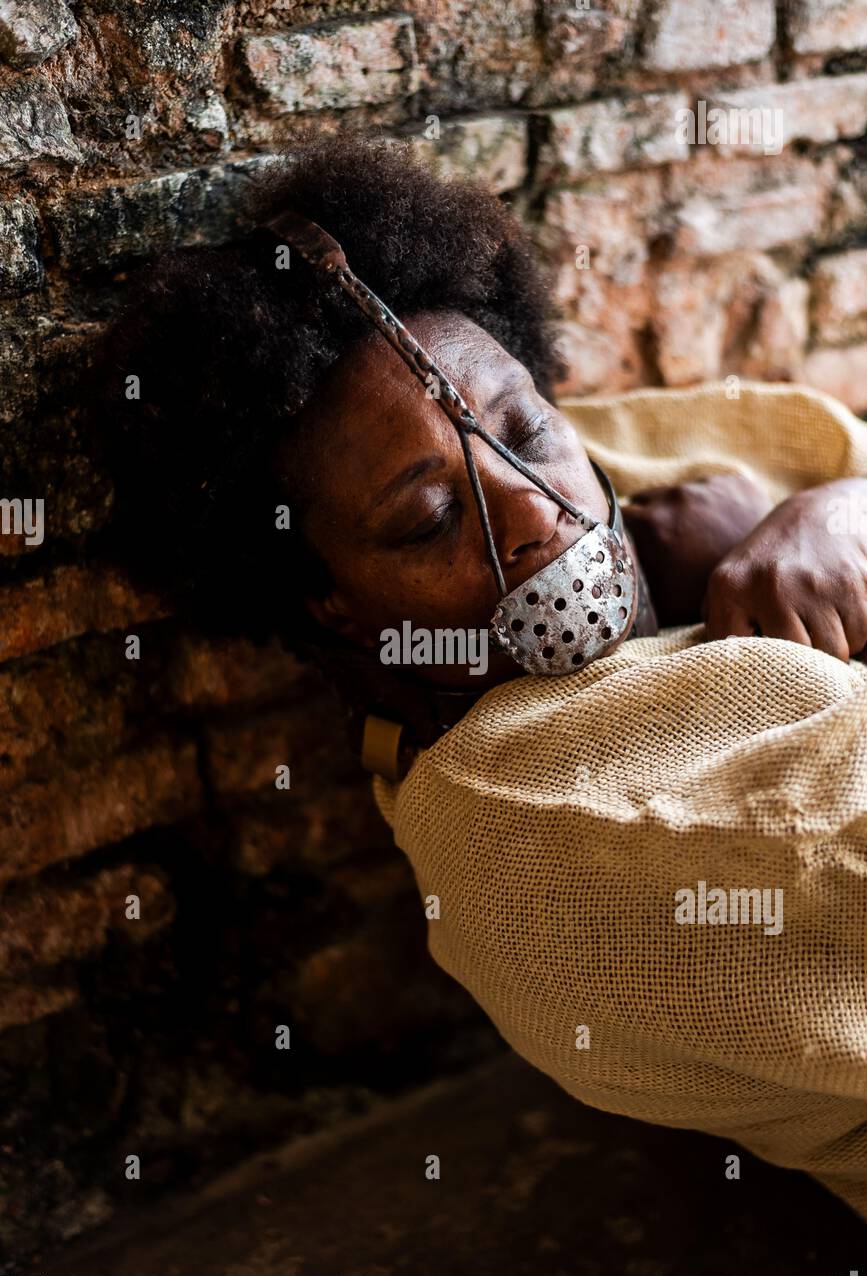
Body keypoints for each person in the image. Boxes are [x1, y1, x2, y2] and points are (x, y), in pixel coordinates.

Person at [94, 133, 867, 1220]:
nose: (537, 513)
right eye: (430, 519)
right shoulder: (536, 824)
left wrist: (833, 513)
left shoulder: (619, 476)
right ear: (332, 604)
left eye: (526, 430)